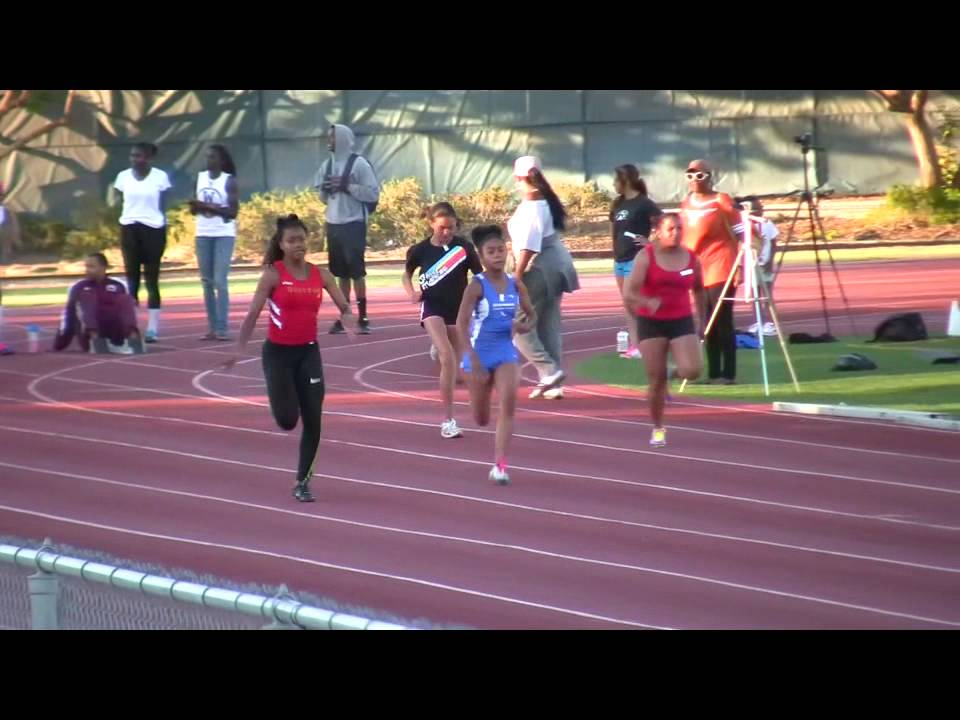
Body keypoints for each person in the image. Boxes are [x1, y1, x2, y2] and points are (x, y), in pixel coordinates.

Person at [224, 214, 355, 503]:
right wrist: (238, 349)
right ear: (281, 244)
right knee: (286, 420)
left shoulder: (320, 274)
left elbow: (344, 305)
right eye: (292, 240)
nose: (299, 244)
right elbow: (252, 315)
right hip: (278, 354)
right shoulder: (273, 275)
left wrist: (348, 318)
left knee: (314, 419)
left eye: (302, 239)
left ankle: (303, 482)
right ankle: (286, 397)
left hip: (308, 352)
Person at [457, 224, 536, 485]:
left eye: (501, 250)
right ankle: (477, 399)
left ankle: (500, 465)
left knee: (508, 405)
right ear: (482, 256)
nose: (498, 256)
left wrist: (524, 325)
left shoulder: (516, 284)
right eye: (491, 252)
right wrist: (474, 360)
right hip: (478, 354)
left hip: (504, 352)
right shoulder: (476, 287)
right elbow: (460, 324)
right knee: (481, 418)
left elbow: (531, 314)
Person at [623, 213, 706, 447]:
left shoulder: (691, 258)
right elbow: (629, 293)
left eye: (680, 228)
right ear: (658, 232)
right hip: (652, 322)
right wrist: (646, 302)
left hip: (681, 319)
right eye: (670, 229)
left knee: (693, 370)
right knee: (656, 381)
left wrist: (702, 321)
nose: (676, 233)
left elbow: (699, 290)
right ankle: (658, 427)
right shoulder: (646, 256)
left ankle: (674, 372)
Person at [403, 202, 483, 439]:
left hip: (457, 310)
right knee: (448, 358)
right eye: (442, 228)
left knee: (456, 368)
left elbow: (479, 276)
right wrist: (411, 293)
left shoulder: (464, 248)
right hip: (432, 307)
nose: (447, 232)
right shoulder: (419, 250)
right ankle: (448, 421)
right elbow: (406, 275)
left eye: (451, 227)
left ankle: (439, 348)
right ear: (431, 224)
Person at [508, 156, 580, 400]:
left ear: (519, 178)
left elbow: (529, 245)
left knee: (518, 324)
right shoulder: (545, 201)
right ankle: (553, 382)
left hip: (539, 268)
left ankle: (548, 371)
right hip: (557, 264)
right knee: (548, 321)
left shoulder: (532, 206)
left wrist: (517, 276)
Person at [680, 159, 743, 385]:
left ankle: (728, 374)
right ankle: (713, 372)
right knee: (705, 321)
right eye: (690, 175)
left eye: (700, 175)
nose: (695, 180)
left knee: (722, 319)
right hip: (698, 269)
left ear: (709, 176)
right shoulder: (686, 203)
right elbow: (684, 236)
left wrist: (741, 265)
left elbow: (741, 232)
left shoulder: (720, 200)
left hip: (721, 265)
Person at [316, 124, 380, 336]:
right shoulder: (327, 165)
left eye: (332, 137)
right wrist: (325, 189)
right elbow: (323, 198)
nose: (329, 141)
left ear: (342, 139)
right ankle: (345, 315)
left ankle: (363, 317)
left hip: (354, 223)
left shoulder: (359, 164)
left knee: (356, 272)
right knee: (340, 274)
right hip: (333, 223)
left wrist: (348, 186)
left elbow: (372, 194)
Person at [112, 142, 171, 343]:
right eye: (133, 155)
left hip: (153, 229)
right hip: (129, 228)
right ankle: (132, 326)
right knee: (132, 279)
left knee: (152, 279)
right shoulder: (123, 177)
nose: (135, 159)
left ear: (149, 158)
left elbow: (163, 205)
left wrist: (162, 227)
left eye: (139, 156)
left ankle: (153, 328)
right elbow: (122, 201)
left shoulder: (160, 177)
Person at [610, 164, 662, 359]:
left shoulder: (644, 203)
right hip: (620, 259)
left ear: (626, 180)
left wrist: (652, 242)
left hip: (636, 258)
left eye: (616, 180)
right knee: (627, 303)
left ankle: (651, 341)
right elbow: (613, 229)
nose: (614, 184)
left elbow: (664, 224)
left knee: (635, 301)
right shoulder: (618, 204)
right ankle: (636, 346)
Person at [189, 144, 239, 341]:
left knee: (220, 280)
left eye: (213, 158)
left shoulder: (229, 181)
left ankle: (222, 327)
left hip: (223, 234)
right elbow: (194, 208)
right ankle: (212, 327)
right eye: (207, 157)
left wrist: (207, 206)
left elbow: (232, 212)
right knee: (207, 282)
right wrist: (196, 206)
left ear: (221, 161)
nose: (208, 161)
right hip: (203, 233)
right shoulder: (199, 178)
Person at [53, 253, 143, 354]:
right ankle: (95, 339)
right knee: (86, 296)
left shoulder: (119, 285)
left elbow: (129, 310)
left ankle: (133, 338)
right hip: (90, 335)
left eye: (91, 266)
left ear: (103, 267)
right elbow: (68, 315)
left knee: (125, 299)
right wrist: (60, 342)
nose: (87, 270)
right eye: (86, 266)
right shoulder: (78, 287)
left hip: (115, 332)